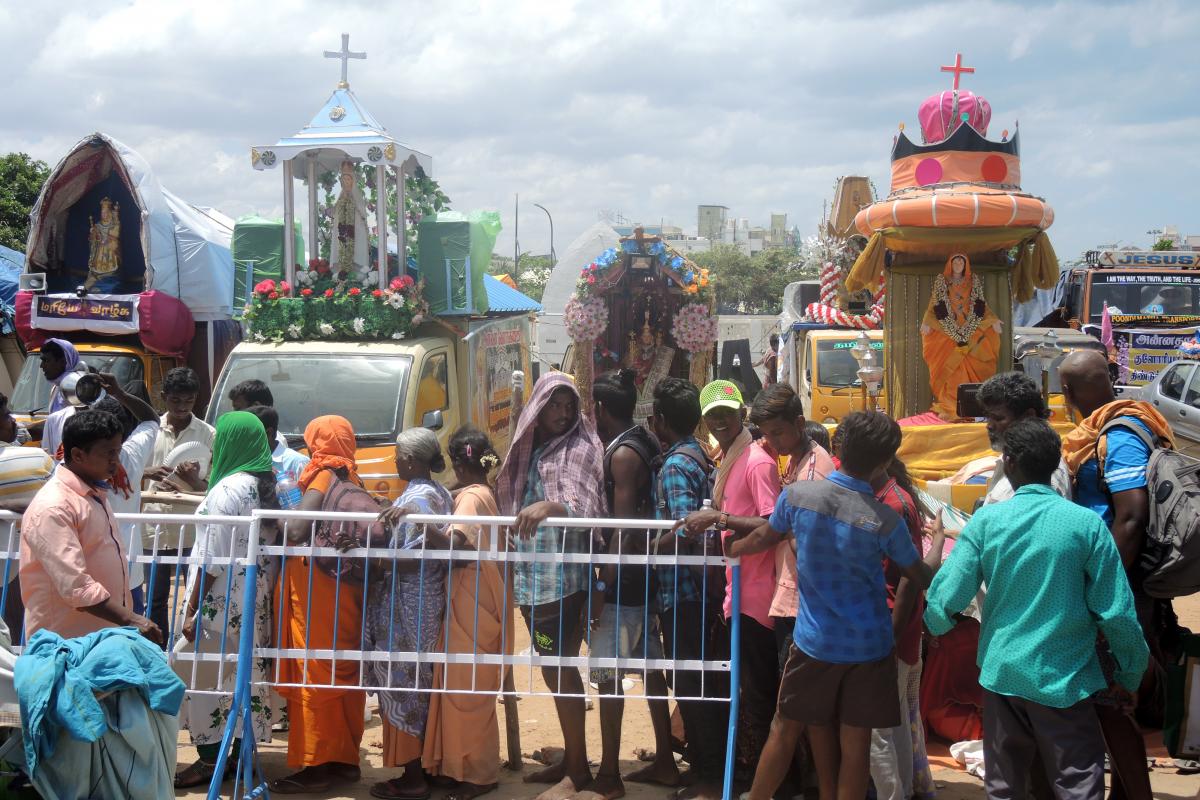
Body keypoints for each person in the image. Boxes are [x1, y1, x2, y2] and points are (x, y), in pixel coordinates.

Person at [925, 418, 1149, 800]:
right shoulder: (1086, 525)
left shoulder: (987, 522)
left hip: (1003, 675)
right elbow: (1116, 611)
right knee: (1077, 784)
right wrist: (1130, 673)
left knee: (1005, 786)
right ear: (1054, 464)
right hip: (1065, 679)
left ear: (1008, 463)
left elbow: (947, 596)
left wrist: (936, 625)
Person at [729, 410, 943, 800]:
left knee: (784, 728)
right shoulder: (884, 519)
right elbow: (921, 575)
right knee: (855, 745)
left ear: (840, 447)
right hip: (869, 648)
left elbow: (765, 537)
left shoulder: (798, 497)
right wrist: (939, 541)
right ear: (884, 461)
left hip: (815, 644)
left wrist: (734, 548)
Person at [1059, 349, 1176, 800]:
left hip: (1119, 584)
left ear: (1067, 392)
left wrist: (1103, 586)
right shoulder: (1118, 424)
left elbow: (1130, 516)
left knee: (1113, 698)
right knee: (1111, 697)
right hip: (1118, 579)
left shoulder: (1119, 435)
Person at [495, 372, 606, 799]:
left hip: (562, 581)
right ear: (538, 409)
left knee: (558, 668)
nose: (562, 413)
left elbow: (585, 508)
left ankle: (577, 772)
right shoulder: (531, 446)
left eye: (568, 405)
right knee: (552, 665)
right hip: (532, 578)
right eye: (554, 405)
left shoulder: (580, 447)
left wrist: (551, 506)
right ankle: (572, 760)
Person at [677, 379, 781, 780]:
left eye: (726, 412)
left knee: (759, 696)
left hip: (758, 595)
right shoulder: (730, 459)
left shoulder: (755, 462)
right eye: (712, 415)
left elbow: (774, 523)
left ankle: (769, 782)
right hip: (739, 593)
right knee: (749, 692)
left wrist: (720, 521)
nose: (719, 421)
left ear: (742, 413)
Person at [173, 411, 280, 788]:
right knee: (240, 678)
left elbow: (212, 558)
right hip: (252, 601)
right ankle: (236, 754)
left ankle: (208, 760)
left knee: (200, 676)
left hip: (218, 604)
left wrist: (191, 608)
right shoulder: (263, 486)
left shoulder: (228, 489)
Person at [270, 415, 368, 794]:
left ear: (316, 444)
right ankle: (344, 761)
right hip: (343, 590)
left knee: (315, 672)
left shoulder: (324, 474)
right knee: (342, 672)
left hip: (317, 592)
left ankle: (316, 765)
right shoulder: (353, 477)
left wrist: (275, 516)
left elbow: (297, 529)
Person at [589, 370, 672, 798]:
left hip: (625, 581)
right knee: (651, 670)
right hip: (646, 574)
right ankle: (665, 762)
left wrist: (602, 588)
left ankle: (609, 775)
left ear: (600, 408)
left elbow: (622, 530)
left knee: (608, 675)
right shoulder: (644, 439)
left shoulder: (622, 454)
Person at [648, 377, 726, 797]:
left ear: (661, 420)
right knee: (695, 680)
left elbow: (685, 530)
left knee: (690, 683)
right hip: (693, 591)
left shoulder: (677, 465)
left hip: (684, 592)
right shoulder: (698, 455)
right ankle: (705, 766)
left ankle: (709, 774)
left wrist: (647, 547)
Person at [19, 410, 161, 642]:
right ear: (78, 455)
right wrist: (132, 619)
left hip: (101, 640)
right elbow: (77, 587)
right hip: (66, 646)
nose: (116, 460)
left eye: (118, 451)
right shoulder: (54, 507)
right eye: (109, 453)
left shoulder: (93, 494)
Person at [422, 427, 509, 800]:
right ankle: (457, 766)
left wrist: (421, 523)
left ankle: (479, 774)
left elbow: (455, 549)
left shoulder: (472, 500)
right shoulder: (482, 492)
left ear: (458, 463)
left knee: (466, 692)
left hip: (472, 602)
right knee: (463, 688)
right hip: (477, 600)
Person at [367, 428, 454, 800]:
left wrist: (369, 557)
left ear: (411, 460)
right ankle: (426, 767)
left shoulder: (418, 498)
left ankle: (413, 776)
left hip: (409, 606)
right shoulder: (439, 491)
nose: (395, 462)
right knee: (420, 684)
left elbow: (412, 558)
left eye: (398, 457)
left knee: (404, 684)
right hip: (424, 603)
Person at [870, 458, 935, 800]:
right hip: (896, 631)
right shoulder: (888, 498)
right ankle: (905, 790)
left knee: (874, 730)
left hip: (892, 632)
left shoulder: (895, 504)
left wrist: (892, 635)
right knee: (893, 723)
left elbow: (910, 576)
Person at [142, 367, 214, 644]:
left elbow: (213, 485)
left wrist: (192, 480)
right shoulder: (149, 431)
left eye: (188, 401)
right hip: (154, 527)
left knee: (194, 600)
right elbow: (129, 472)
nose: (182, 407)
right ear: (164, 397)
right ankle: (157, 652)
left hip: (191, 528)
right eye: (176, 400)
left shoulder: (208, 434)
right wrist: (148, 473)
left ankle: (192, 654)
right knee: (155, 599)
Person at [88, 376, 160, 616]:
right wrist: (120, 393)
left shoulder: (76, 463)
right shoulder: (131, 455)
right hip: (128, 569)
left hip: (92, 573)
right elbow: (151, 419)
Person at [920, 253, 1002, 420]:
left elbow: (982, 305)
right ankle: (951, 407)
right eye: (955, 261)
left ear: (966, 265)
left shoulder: (973, 282)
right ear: (950, 264)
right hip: (948, 333)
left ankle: (974, 408)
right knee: (950, 372)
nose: (958, 263)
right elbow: (934, 304)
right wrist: (927, 321)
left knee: (977, 364)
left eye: (961, 261)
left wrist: (992, 320)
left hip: (970, 331)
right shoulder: (942, 282)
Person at [0, 393, 55, 640]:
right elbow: (59, 501)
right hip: (35, 561)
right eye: (7, 416)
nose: (13, 421)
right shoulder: (37, 458)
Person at [977, 371, 1071, 503]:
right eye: (988, 418)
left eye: (998, 418)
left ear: (1028, 416)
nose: (989, 426)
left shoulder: (1042, 471)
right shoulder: (1012, 459)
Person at [245, 404, 310, 481]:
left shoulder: (298, 462)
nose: (241, 440)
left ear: (269, 433)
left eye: (247, 434)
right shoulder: (244, 462)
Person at [39, 338, 82, 415]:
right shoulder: (56, 387)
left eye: (46, 360)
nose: (41, 366)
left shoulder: (77, 387)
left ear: (63, 362)